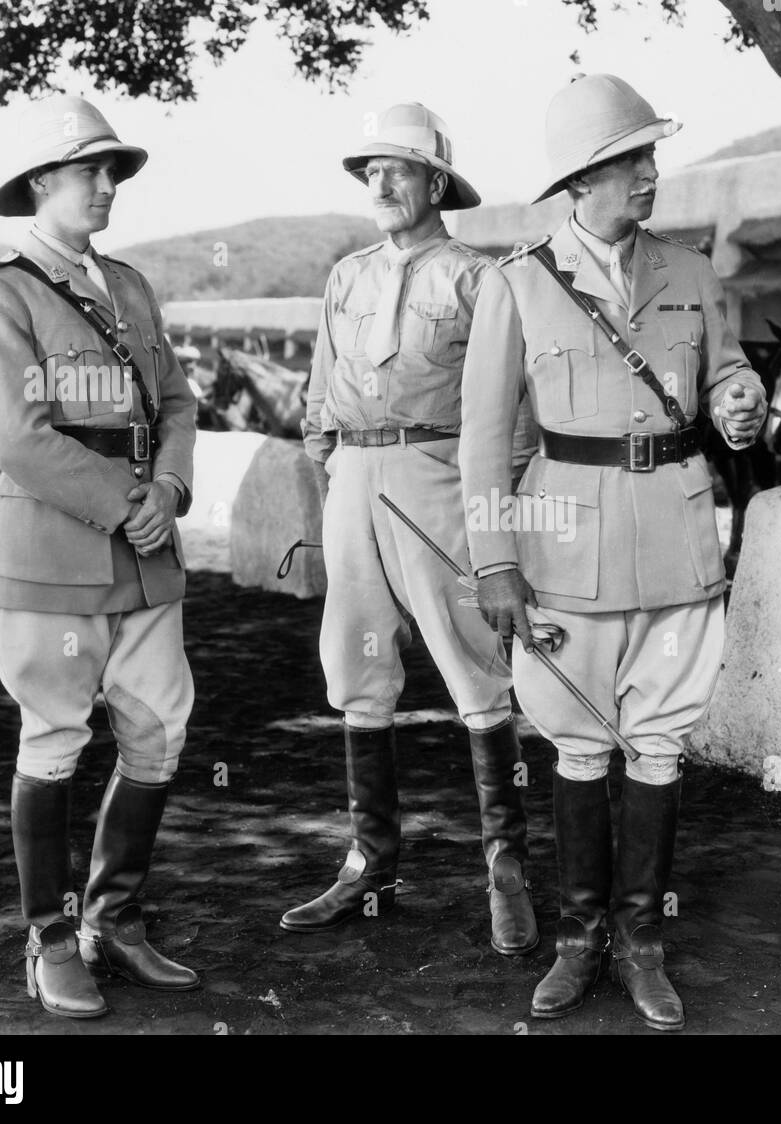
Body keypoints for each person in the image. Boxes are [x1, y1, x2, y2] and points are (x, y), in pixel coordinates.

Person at [458, 74, 767, 1031]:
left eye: (650, 157)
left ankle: (643, 946)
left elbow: (728, 374)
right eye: (632, 160)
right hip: (562, 552)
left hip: (677, 539)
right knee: (580, 746)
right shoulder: (516, 283)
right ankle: (579, 940)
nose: (651, 174)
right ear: (582, 180)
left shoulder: (693, 272)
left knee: (660, 742)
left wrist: (741, 400)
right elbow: (482, 442)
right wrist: (495, 561)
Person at [0, 94, 200, 1018]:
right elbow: (17, 436)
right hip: (53, 545)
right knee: (54, 733)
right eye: (91, 170)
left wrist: (169, 493)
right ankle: (51, 938)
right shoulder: (1, 291)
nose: (108, 186)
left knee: (159, 731)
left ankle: (118, 919)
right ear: (40, 183)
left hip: (145, 548)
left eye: (112, 171)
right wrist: (127, 504)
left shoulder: (130, 286)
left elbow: (175, 402)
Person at [282, 104, 539, 957]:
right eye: (369, 171)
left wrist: (491, 509)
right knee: (356, 668)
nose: (381, 184)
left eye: (398, 168)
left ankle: (506, 867)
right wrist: (339, 471)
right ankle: (370, 864)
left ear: (436, 182)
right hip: (354, 476)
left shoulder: (479, 276)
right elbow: (319, 399)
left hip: (442, 477)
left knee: (475, 669)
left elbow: (515, 417)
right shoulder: (346, 276)